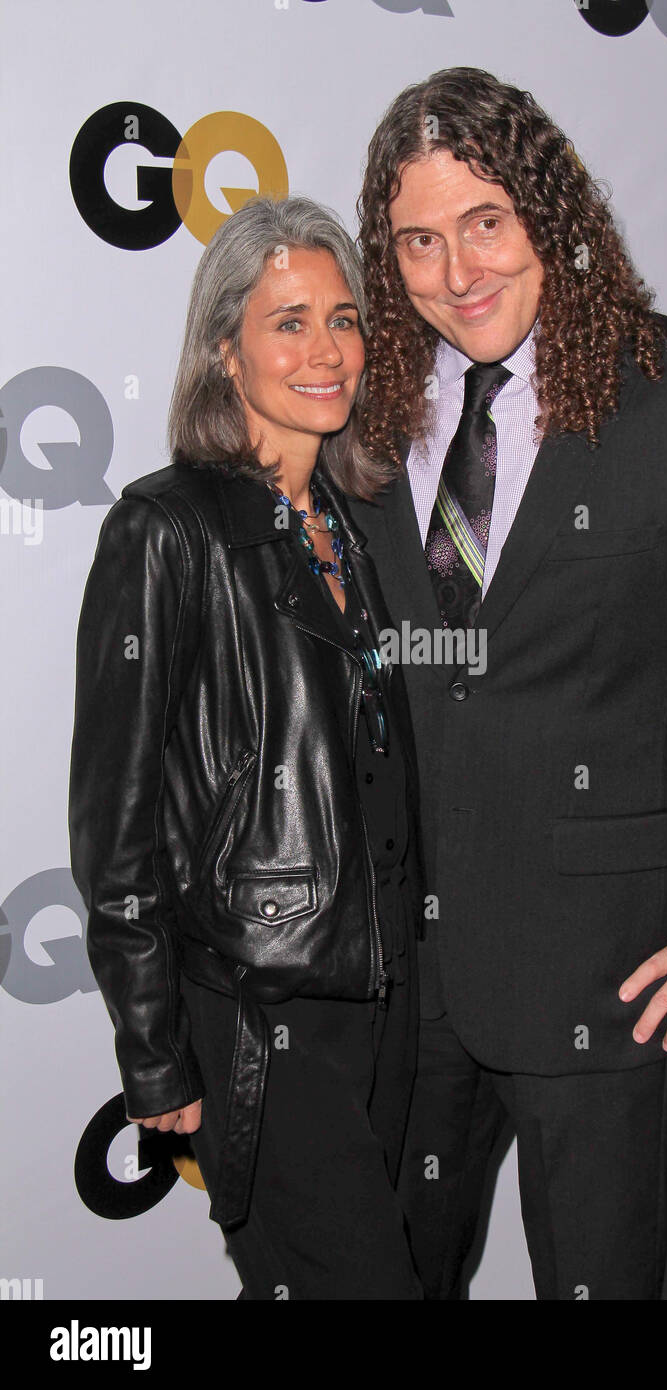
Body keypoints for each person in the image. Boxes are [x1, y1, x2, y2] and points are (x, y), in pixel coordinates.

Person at [348, 67, 667, 1300]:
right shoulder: (368, 416)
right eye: (415, 240)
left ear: (547, 216)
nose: (454, 273)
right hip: (398, 970)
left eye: (483, 223)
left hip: (604, 967)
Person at [68, 195, 424, 1300]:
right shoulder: (163, 528)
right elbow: (115, 817)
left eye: (344, 317)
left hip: (390, 993)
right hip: (260, 1010)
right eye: (287, 321)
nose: (326, 350)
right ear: (225, 348)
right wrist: (152, 1048)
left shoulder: (363, 527)